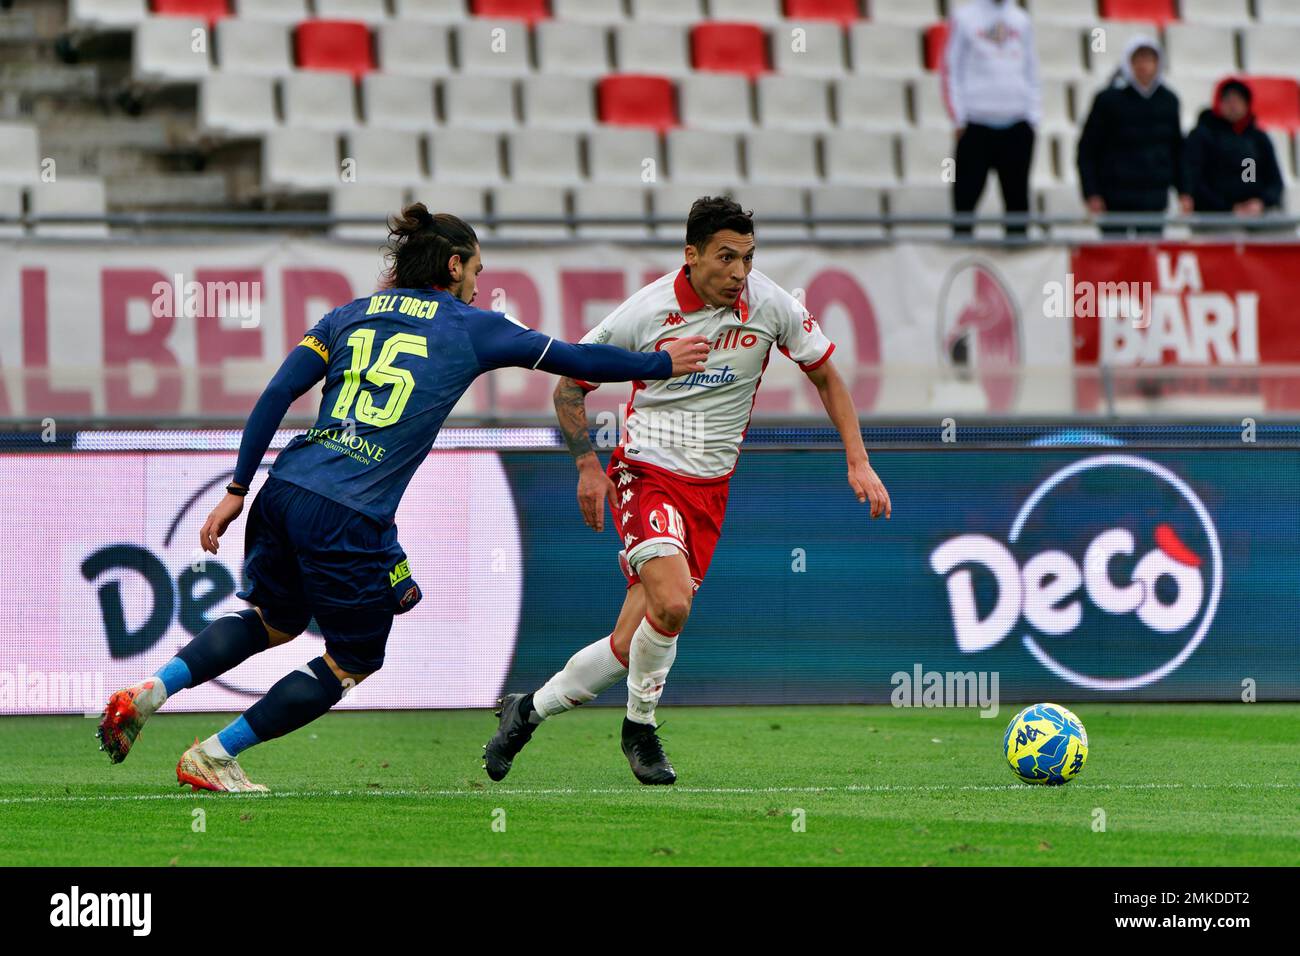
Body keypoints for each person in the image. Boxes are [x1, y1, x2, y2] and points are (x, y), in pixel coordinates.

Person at [95, 204, 710, 792]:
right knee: (351, 660)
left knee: (273, 621)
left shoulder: (347, 313)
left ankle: (155, 686)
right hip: (346, 514)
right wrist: (660, 362)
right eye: (476, 271)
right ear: (453, 266)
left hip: (283, 490)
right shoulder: (473, 326)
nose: (477, 285)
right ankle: (214, 755)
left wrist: (237, 487)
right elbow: (573, 359)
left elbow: (277, 393)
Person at [482, 196, 892, 786]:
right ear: (691, 255)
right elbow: (568, 388)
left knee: (630, 643)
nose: (739, 272)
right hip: (646, 472)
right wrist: (588, 468)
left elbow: (825, 372)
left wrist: (859, 461)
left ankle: (527, 712)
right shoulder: (646, 312)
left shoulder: (769, 304)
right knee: (672, 603)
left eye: (748, 258)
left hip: (710, 490)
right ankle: (640, 729)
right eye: (726, 257)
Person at [943, 0, 1041, 237]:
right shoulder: (964, 17)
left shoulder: (1021, 19)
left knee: (1017, 202)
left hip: (1017, 124)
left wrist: (1033, 117)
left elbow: (1032, 69)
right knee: (965, 199)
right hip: (976, 124)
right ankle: (961, 261)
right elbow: (950, 68)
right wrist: (959, 118)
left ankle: (1018, 263)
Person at [1077, 36, 1184, 236]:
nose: (1144, 65)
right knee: (1114, 260)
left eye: (1149, 59)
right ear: (1129, 62)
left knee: (1149, 258)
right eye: (1139, 59)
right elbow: (1088, 149)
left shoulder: (1169, 101)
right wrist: (1091, 192)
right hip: (1114, 198)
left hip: (1153, 198)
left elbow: (1176, 149)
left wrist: (1184, 191)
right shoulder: (1107, 100)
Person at [1183, 77, 1285, 228]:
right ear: (1219, 103)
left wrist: (1260, 202)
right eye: (1228, 101)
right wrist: (1229, 208)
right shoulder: (1202, 136)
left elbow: (1275, 181)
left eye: (1238, 101)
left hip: (1256, 217)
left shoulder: (1258, 139)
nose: (1233, 106)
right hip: (1215, 219)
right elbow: (1195, 181)